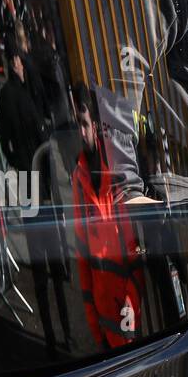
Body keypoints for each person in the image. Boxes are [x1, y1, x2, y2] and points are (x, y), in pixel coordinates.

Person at [70, 83, 145, 350]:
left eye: (85, 124)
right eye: (77, 124)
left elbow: (135, 245)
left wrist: (132, 298)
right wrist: (92, 321)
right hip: (104, 303)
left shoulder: (115, 170)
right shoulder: (79, 177)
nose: (81, 132)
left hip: (127, 297)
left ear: (96, 126)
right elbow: (83, 255)